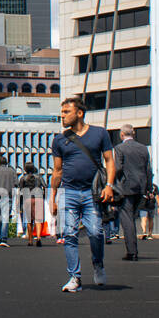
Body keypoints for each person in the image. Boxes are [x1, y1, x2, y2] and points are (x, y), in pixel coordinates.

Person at [49, 96, 116, 292]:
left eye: (66, 112)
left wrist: (109, 185)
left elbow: (109, 161)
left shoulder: (99, 134)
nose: (62, 116)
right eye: (61, 112)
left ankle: (98, 264)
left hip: (92, 193)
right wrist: (53, 197)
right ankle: (74, 277)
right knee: (69, 234)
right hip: (69, 191)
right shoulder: (59, 140)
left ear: (79, 113)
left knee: (96, 232)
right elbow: (57, 170)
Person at [113, 124, 153, 261]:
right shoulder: (143, 148)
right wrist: (148, 188)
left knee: (127, 219)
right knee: (133, 217)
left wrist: (112, 183)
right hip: (140, 187)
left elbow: (118, 168)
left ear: (122, 134)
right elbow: (148, 169)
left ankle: (132, 251)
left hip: (126, 187)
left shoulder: (119, 148)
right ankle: (133, 248)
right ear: (133, 133)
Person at [19, 162, 46, 246]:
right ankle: (38, 238)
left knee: (29, 220)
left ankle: (30, 240)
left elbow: (20, 191)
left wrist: (20, 204)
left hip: (27, 199)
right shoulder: (39, 177)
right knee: (38, 220)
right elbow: (45, 185)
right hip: (38, 198)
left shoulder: (23, 178)